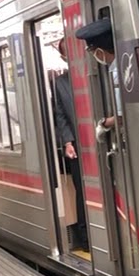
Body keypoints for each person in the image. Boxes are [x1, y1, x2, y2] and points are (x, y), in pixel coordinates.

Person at [50, 47, 88, 250]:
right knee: (82, 190)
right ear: (63, 57)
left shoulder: (95, 73)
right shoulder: (60, 83)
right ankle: (86, 238)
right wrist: (68, 142)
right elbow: (60, 115)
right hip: (77, 145)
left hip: (100, 140)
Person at [74, 18, 121, 140]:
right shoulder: (125, 62)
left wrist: (103, 124)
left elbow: (121, 116)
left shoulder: (117, 73)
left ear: (99, 52)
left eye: (93, 52)